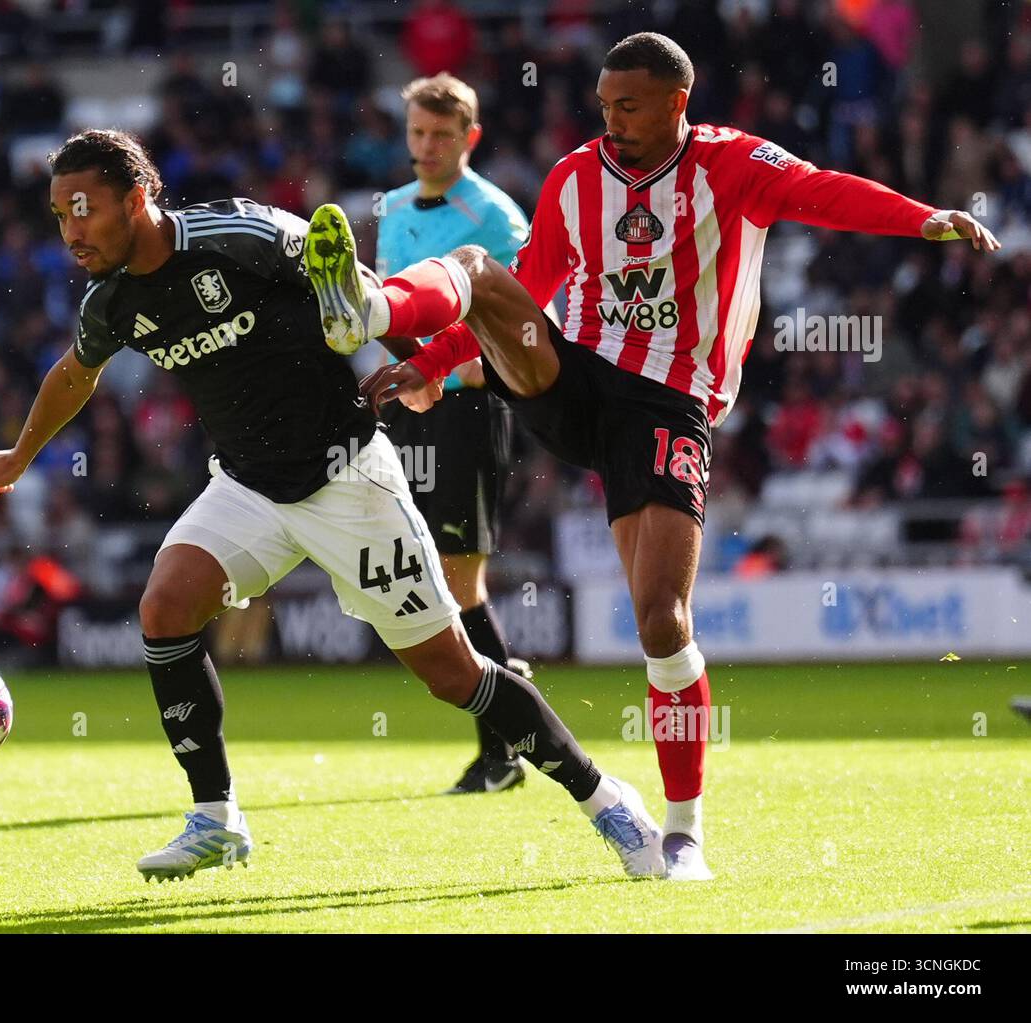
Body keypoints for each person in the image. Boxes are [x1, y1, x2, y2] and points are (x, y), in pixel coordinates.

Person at [305, 32, 1001, 881]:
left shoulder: (733, 163)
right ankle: (371, 309)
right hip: (576, 377)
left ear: (678, 101)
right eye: (604, 106)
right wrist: (428, 361)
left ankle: (680, 832)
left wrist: (922, 217)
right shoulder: (574, 176)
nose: (612, 121)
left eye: (628, 106)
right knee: (484, 268)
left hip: (669, 402)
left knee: (662, 626)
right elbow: (530, 280)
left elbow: (823, 192)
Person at [0, 129, 668, 883]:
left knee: (453, 673)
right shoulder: (112, 302)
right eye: (59, 215)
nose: (71, 232)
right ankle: (216, 817)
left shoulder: (239, 234)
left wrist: (413, 352)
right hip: (246, 485)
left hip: (347, 480)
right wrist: (19, 453)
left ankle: (607, 799)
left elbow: (352, 285)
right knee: (164, 608)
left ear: (137, 200)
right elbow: (75, 376)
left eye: (85, 210)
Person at [377, 72, 533, 795]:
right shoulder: (395, 208)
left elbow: (526, 315)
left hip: (471, 405)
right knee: (439, 579)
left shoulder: (496, 215)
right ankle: (513, 704)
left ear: (470, 137)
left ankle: (504, 744)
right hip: (411, 406)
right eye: (417, 133)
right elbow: (386, 309)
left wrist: (456, 371)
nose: (427, 146)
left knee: (459, 581)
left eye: (442, 134)